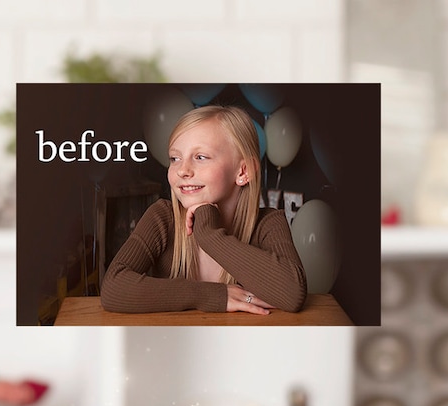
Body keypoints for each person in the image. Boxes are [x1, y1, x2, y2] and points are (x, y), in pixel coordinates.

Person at [100, 105, 307, 316]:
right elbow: (113, 287)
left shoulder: (268, 224)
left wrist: (208, 234)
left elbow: (292, 294)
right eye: (175, 158)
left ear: (243, 171)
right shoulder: (163, 217)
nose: (182, 170)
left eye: (200, 157)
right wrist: (211, 295)